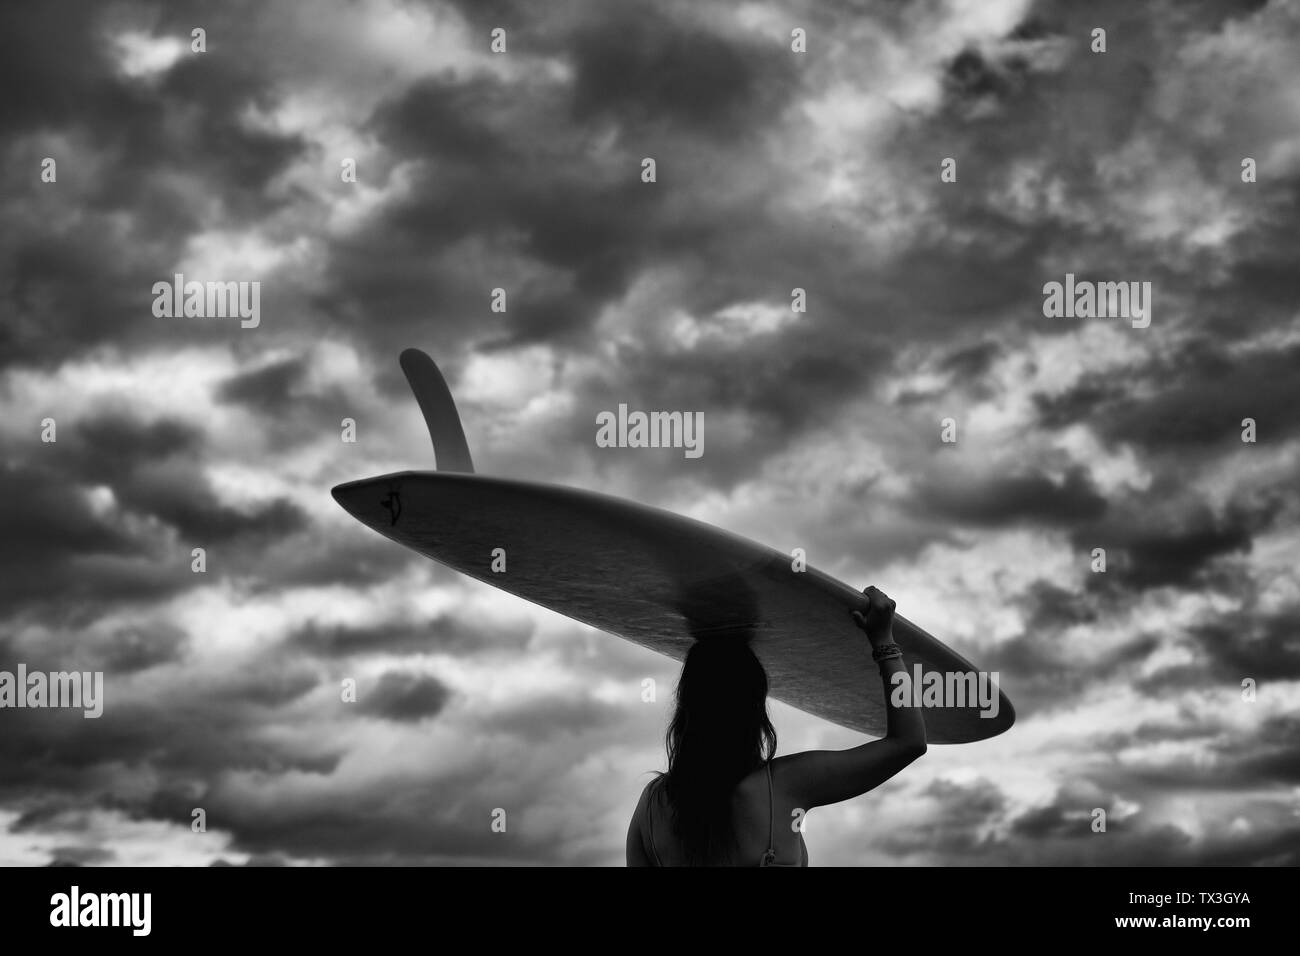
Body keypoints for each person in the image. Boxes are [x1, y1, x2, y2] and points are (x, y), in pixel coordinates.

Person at [626, 586, 926, 866]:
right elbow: (908, 742)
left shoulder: (651, 808)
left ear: (686, 707)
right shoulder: (786, 784)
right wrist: (884, 642)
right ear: (755, 710)